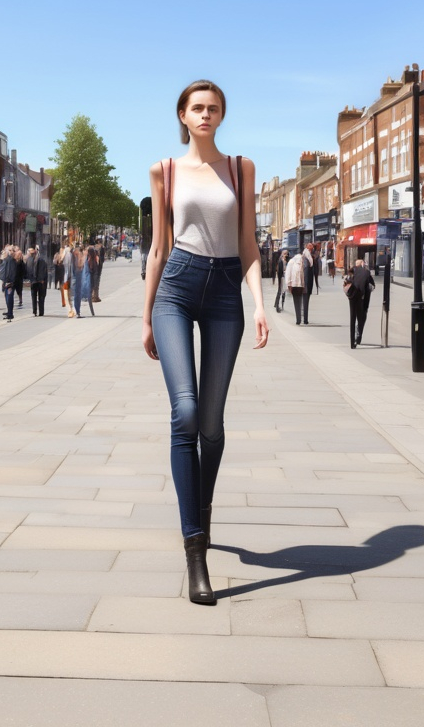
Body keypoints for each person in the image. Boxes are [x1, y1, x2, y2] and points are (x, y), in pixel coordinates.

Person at [143, 79, 268, 606]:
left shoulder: (241, 168)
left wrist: (260, 303)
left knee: (212, 424)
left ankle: (202, 508)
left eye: (214, 108)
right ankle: (196, 552)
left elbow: (249, 243)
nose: (206, 115)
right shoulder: (165, 171)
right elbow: (158, 247)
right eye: (197, 108)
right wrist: (145, 316)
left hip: (224, 294)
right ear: (182, 114)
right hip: (175, 287)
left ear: (222, 116)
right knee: (186, 413)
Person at [345, 258, 375, 348]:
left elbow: (347, 283)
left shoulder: (351, 271)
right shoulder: (366, 273)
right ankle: (358, 336)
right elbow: (372, 286)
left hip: (352, 297)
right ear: (362, 264)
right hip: (362, 299)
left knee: (352, 319)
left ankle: (352, 342)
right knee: (361, 318)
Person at [285, 248, 312, 326]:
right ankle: (298, 319)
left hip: (297, 285)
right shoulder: (296, 262)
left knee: (297, 301)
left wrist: (289, 284)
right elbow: (288, 274)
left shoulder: (298, 263)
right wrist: (289, 284)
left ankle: (299, 319)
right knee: (297, 302)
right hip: (297, 284)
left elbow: (289, 274)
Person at [0, 244, 18, 321]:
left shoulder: (10, 260)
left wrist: (9, 281)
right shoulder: (8, 259)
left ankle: (10, 313)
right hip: (7, 281)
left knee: (9, 298)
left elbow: (10, 272)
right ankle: (9, 312)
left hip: (9, 282)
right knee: (7, 297)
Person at [31, 248, 48, 316]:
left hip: (34, 281)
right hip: (40, 281)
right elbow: (44, 271)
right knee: (41, 297)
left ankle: (34, 311)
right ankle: (41, 311)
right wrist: (42, 280)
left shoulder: (30, 260)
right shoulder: (42, 261)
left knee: (34, 296)